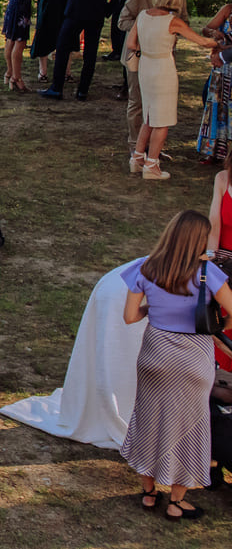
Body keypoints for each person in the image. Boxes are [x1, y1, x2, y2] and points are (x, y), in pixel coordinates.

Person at [119, 210, 232, 517]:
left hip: (155, 353)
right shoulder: (209, 273)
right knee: (190, 427)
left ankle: (148, 492)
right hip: (194, 357)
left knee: (149, 419)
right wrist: (219, 325)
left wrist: (151, 311)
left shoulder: (146, 267)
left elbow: (129, 317)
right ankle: (177, 501)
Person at [128, 0, 216, 180]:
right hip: (162, 68)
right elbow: (202, 41)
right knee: (162, 120)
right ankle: (152, 164)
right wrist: (219, 43)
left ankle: (138, 158)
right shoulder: (172, 21)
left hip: (145, 66)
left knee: (149, 114)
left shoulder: (142, 15)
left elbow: (132, 44)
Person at [119, 0, 187, 153]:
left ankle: (153, 148)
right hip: (139, 56)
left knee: (159, 105)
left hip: (162, 60)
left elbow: (185, 22)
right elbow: (122, 21)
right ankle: (135, 145)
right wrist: (145, 29)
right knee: (138, 102)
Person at [43, 0, 120, 100]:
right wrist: (106, 11)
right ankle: (82, 90)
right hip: (96, 13)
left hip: (75, 11)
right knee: (90, 53)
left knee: (63, 47)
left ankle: (57, 88)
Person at [2, 0, 39, 92]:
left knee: (10, 40)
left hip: (13, 5)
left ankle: (10, 72)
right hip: (20, 7)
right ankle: (16, 78)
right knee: (20, 42)